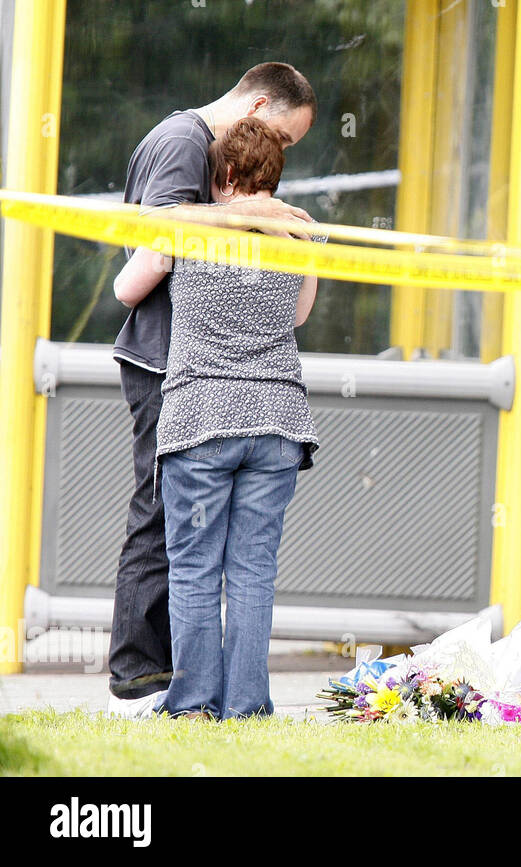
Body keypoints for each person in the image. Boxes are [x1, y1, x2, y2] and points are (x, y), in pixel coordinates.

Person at [108, 63, 317, 718]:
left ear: (217, 175)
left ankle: (190, 700)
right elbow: (298, 316)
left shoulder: (185, 235)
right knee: (251, 572)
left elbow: (126, 286)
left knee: (193, 564)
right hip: (279, 420)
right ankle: (248, 704)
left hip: (200, 412)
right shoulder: (299, 236)